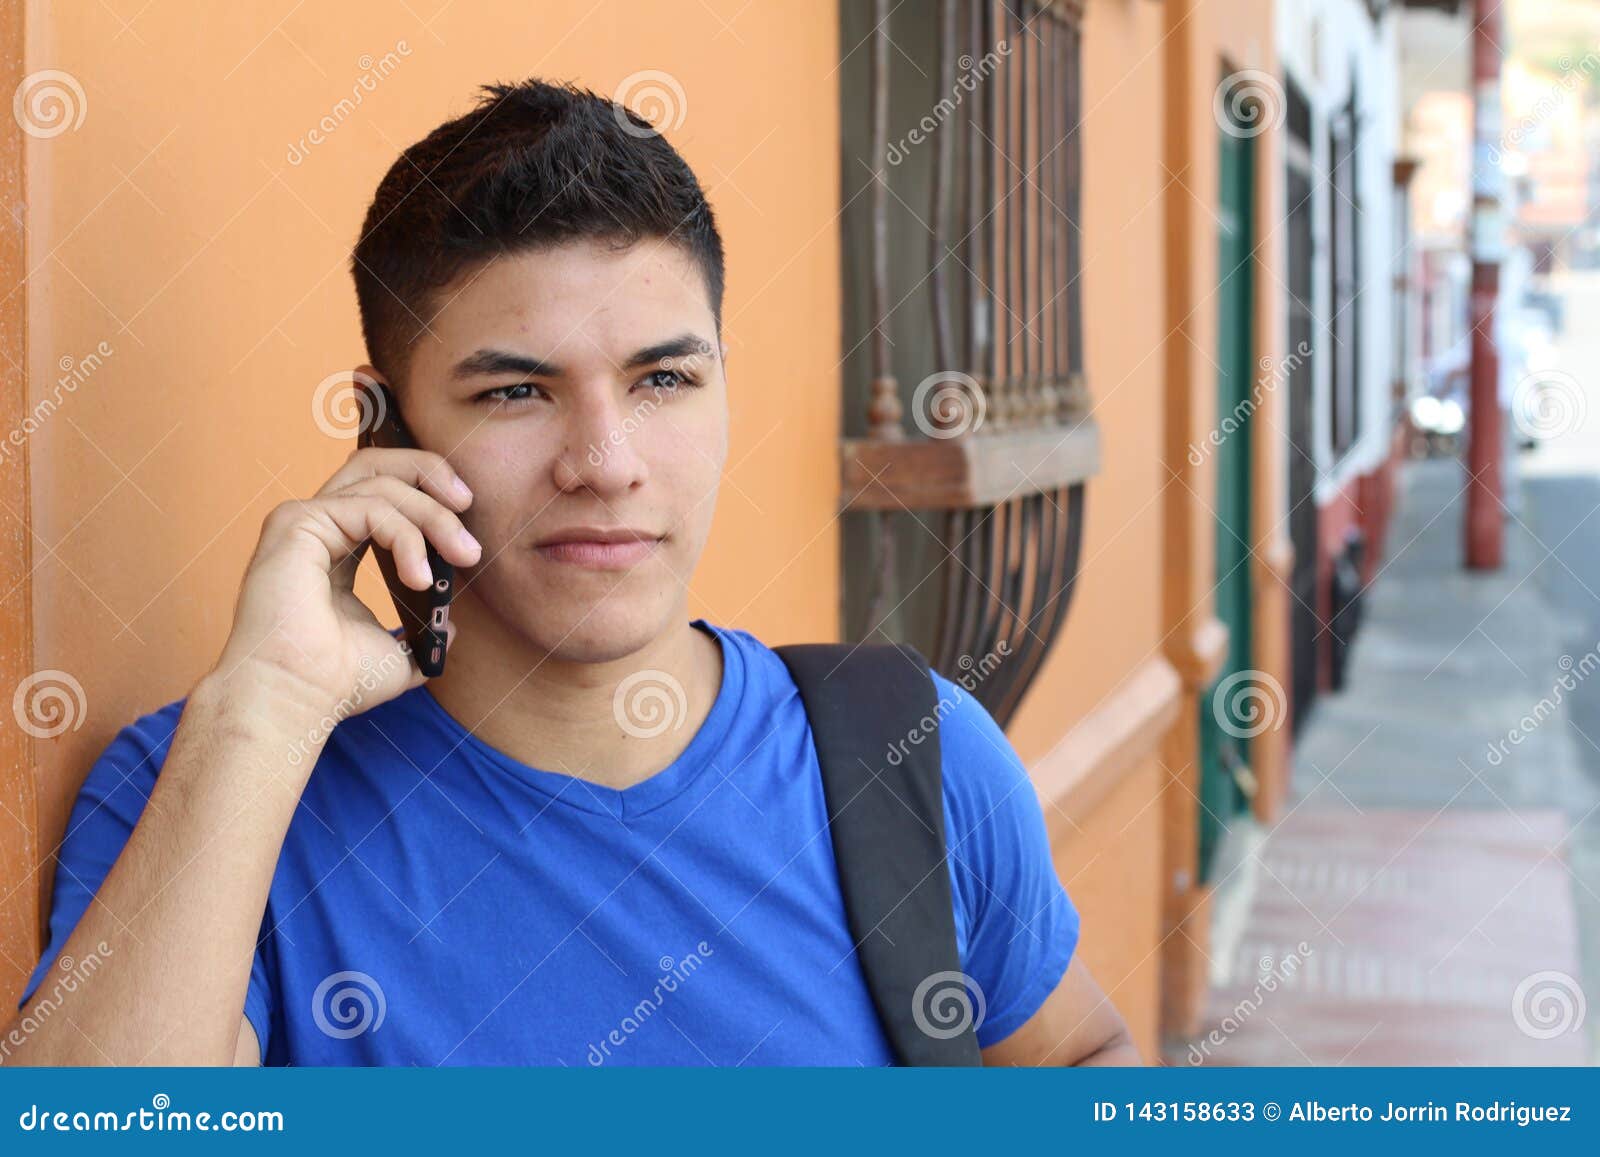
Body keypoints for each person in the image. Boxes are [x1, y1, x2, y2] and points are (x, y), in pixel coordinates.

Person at [4, 78, 1136, 1067]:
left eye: (662, 381)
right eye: (515, 391)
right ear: (382, 426)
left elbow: (1079, 1052)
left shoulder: (911, 752)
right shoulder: (204, 793)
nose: (605, 464)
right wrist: (263, 711)